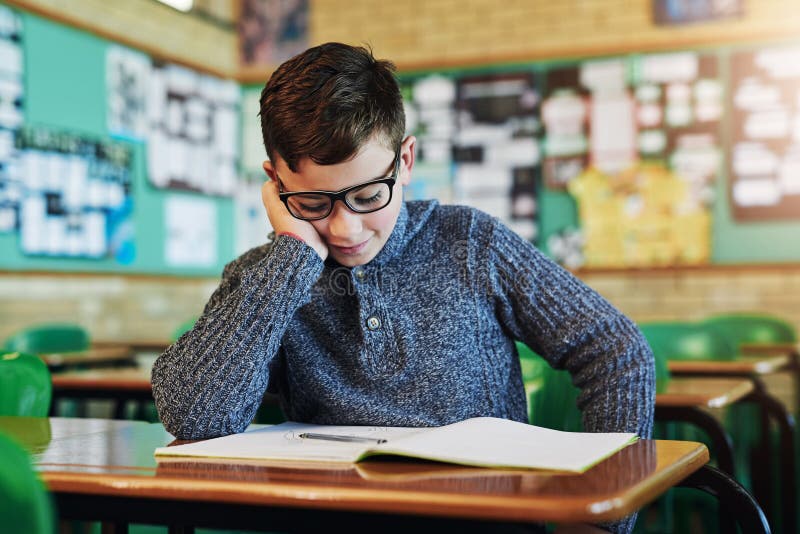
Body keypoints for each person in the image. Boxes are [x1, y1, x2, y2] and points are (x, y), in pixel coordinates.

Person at [151, 42, 654, 534]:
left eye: (369, 195)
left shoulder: (472, 244)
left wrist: (600, 520)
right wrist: (293, 257)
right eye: (311, 203)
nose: (346, 230)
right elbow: (195, 416)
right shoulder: (266, 277)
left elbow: (616, 350)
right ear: (274, 184)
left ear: (405, 161)